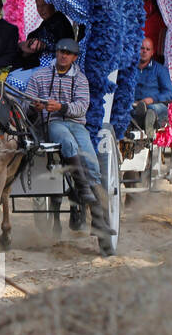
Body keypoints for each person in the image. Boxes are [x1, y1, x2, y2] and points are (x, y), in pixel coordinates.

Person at [24, 37, 112, 246]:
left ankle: (100, 220)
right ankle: (83, 191)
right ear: (56, 53)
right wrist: (34, 107)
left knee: (91, 162)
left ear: (74, 57)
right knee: (66, 142)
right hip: (51, 123)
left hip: (75, 123)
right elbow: (27, 100)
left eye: (68, 53)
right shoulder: (40, 76)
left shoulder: (80, 79)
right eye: (60, 51)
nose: (63, 55)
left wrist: (62, 107)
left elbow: (82, 106)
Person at [17, 0, 76, 69]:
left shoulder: (59, 21)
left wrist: (44, 45)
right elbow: (34, 34)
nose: (41, 10)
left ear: (52, 4)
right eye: (38, 6)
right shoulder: (47, 22)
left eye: (44, 5)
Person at [131, 36, 172, 137]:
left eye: (147, 49)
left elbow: (169, 94)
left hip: (153, 105)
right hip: (133, 105)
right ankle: (142, 116)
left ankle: (149, 119)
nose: (144, 51)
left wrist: (152, 99)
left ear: (152, 52)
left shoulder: (160, 70)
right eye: (142, 48)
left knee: (156, 109)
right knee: (125, 109)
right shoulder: (130, 69)